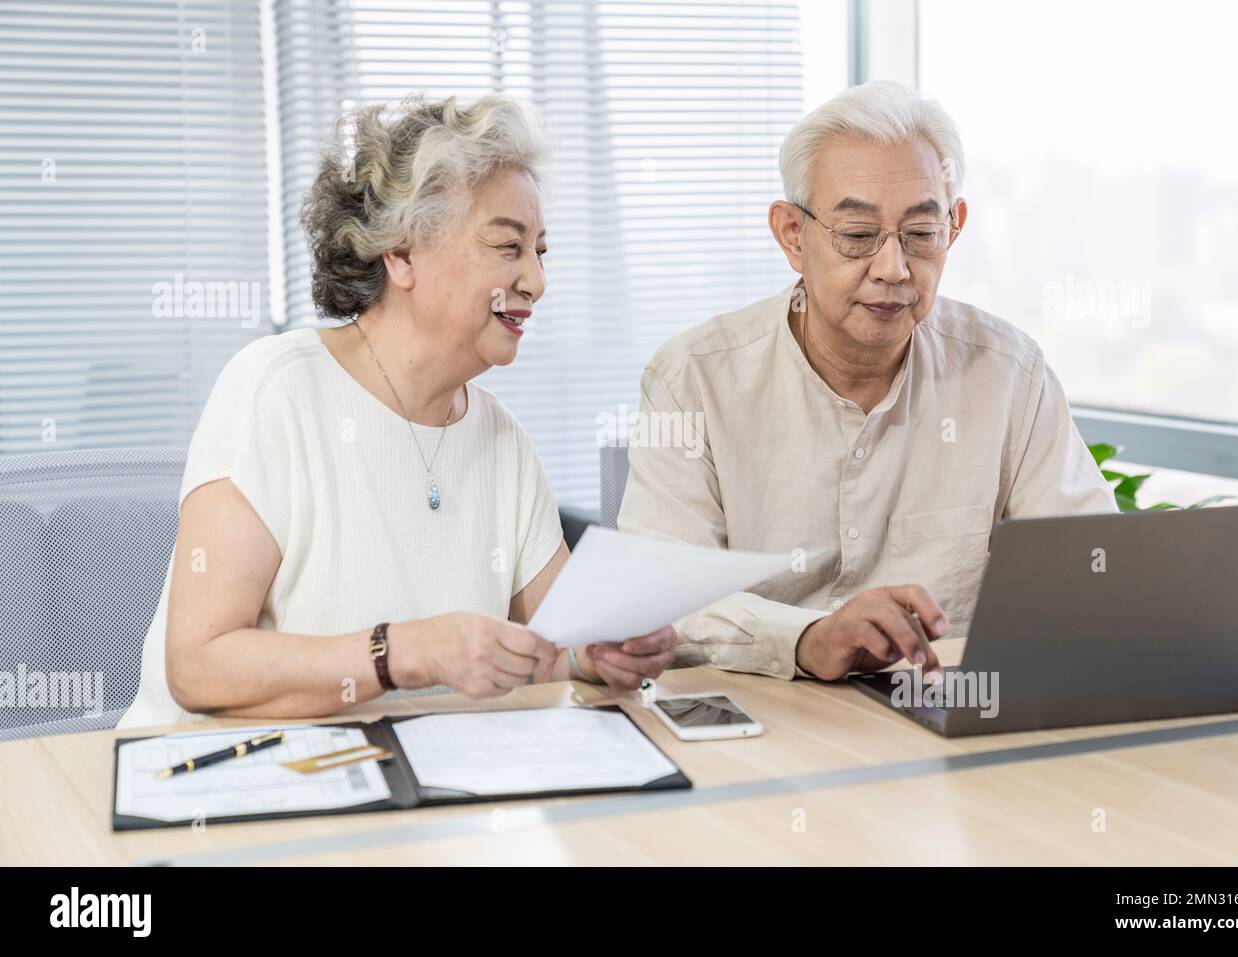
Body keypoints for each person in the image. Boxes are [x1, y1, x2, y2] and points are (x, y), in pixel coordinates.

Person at [121, 93, 675, 728]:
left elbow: (553, 650)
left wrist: (600, 656)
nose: (536, 281)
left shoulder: (501, 438)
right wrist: (408, 652)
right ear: (404, 254)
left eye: (540, 252)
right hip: (218, 791)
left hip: (407, 788)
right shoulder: (276, 389)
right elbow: (199, 668)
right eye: (507, 246)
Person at [618, 80, 1115, 685]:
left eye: (921, 235)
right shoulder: (694, 378)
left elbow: (1088, 564)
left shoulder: (1008, 373)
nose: (893, 268)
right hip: (764, 719)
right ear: (792, 236)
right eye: (857, 236)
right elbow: (664, 591)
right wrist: (806, 639)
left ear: (954, 227)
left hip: (944, 714)